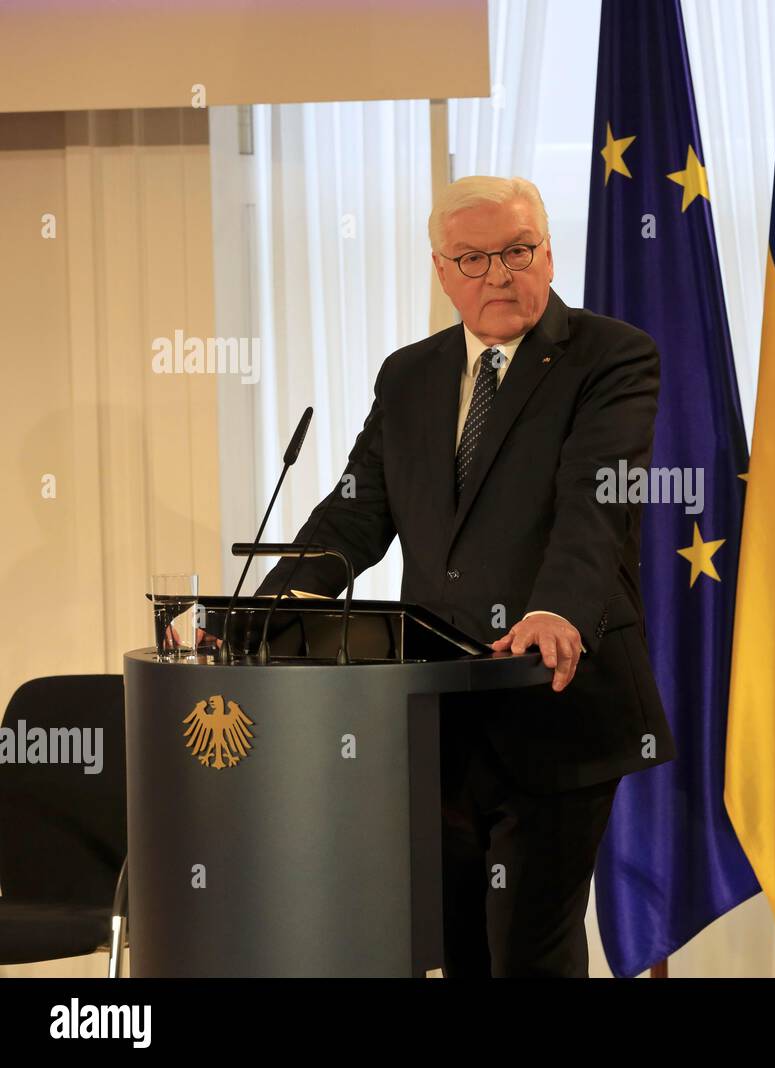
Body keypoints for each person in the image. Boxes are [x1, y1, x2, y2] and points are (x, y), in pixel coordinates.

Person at [255, 175, 675, 977]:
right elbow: (354, 514)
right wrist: (260, 614)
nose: (498, 275)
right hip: (434, 718)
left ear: (548, 255)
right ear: (442, 271)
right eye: (472, 258)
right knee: (450, 945)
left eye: (517, 251)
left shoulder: (611, 356)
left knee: (527, 945)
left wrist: (557, 610)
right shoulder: (409, 375)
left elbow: (596, 502)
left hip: (555, 697)